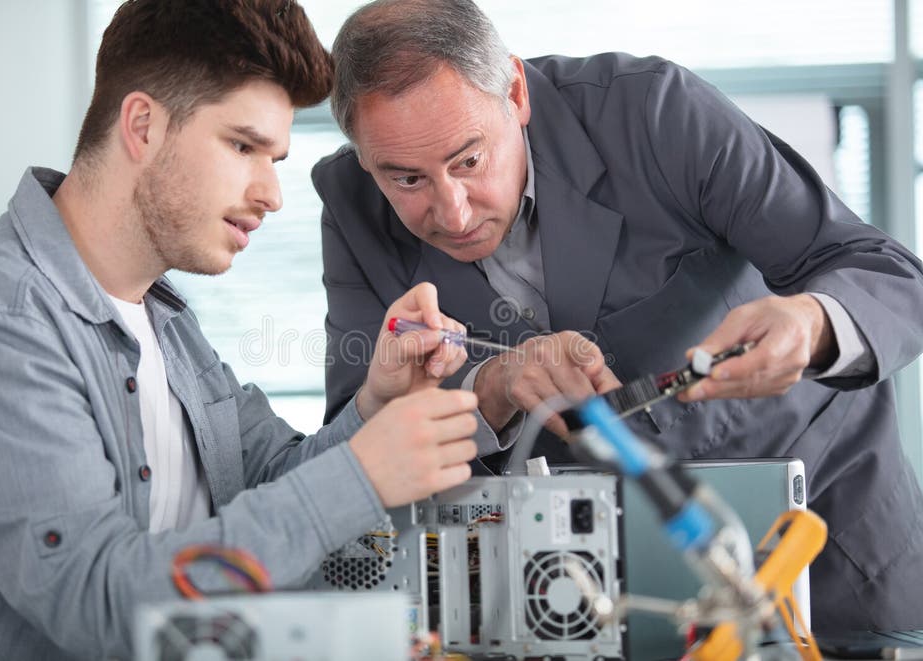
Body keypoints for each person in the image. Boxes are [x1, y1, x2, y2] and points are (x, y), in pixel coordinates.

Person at [314, 0, 923, 632]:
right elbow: (355, 438)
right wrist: (487, 391)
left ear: (516, 93)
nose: (454, 213)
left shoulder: (657, 112)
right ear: (363, 156)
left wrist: (813, 324)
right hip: (575, 593)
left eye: (469, 160)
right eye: (407, 180)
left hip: (824, 538)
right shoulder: (351, 208)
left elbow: (885, 270)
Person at [0, 2, 483, 659]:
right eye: (243, 145)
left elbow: (269, 478)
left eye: (274, 156)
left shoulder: (166, 319)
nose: (272, 193)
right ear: (142, 125)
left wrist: (376, 405)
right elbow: (99, 600)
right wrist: (362, 475)